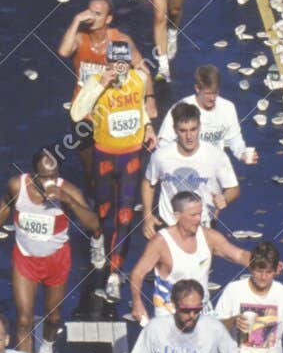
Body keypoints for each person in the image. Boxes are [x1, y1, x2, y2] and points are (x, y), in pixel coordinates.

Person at [0, 148, 101, 353]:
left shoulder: (67, 191)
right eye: (44, 177)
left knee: (53, 317)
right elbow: (5, 205)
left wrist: (67, 201)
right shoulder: (17, 186)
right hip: (25, 259)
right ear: (33, 175)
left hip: (56, 260)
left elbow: (93, 223)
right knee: (24, 319)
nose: (49, 182)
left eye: (53, 176)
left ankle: (46, 351)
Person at [70, 43, 157, 284]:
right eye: (113, 63)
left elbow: (139, 105)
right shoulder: (96, 81)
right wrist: (100, 84)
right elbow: (77, 114)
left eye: (123, 63)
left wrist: (148, 126)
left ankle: (115, 272)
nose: (118, 68)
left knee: (126, 215)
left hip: (130, 155)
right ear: (106, 62)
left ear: (129, 63)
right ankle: (97, 235)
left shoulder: (139, 78)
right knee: (104, 208)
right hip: (105, 156)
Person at [127, 190, 250, 318]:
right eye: (193, 215)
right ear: (177, 216)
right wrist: (137, 303)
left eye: (200, 214)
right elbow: (138, 273)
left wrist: (264, 263)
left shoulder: (209, 237)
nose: (198, 219)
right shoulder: (161, 242)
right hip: (169, 315)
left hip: (200, 313)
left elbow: (239, 255)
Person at [142, 102, 240, 238]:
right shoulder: (161, 156)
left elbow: (233, 188)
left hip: (203, 227)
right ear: (175, 129)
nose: (189, 137)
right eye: (183, 131)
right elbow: (148, 183)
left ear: (200, 127)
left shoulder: (217, 156)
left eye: (193, 129)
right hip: (169, 226)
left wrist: (225, 198)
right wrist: (147, 215)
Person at [157, 65, 256, 163]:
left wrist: (242, 154)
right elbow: (163, 143)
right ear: (197, 88)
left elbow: (234, 138)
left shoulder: (228, 107)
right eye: (208, 93)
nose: (213, 98)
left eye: (215, 92)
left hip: (215, 168)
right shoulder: (181, 108)